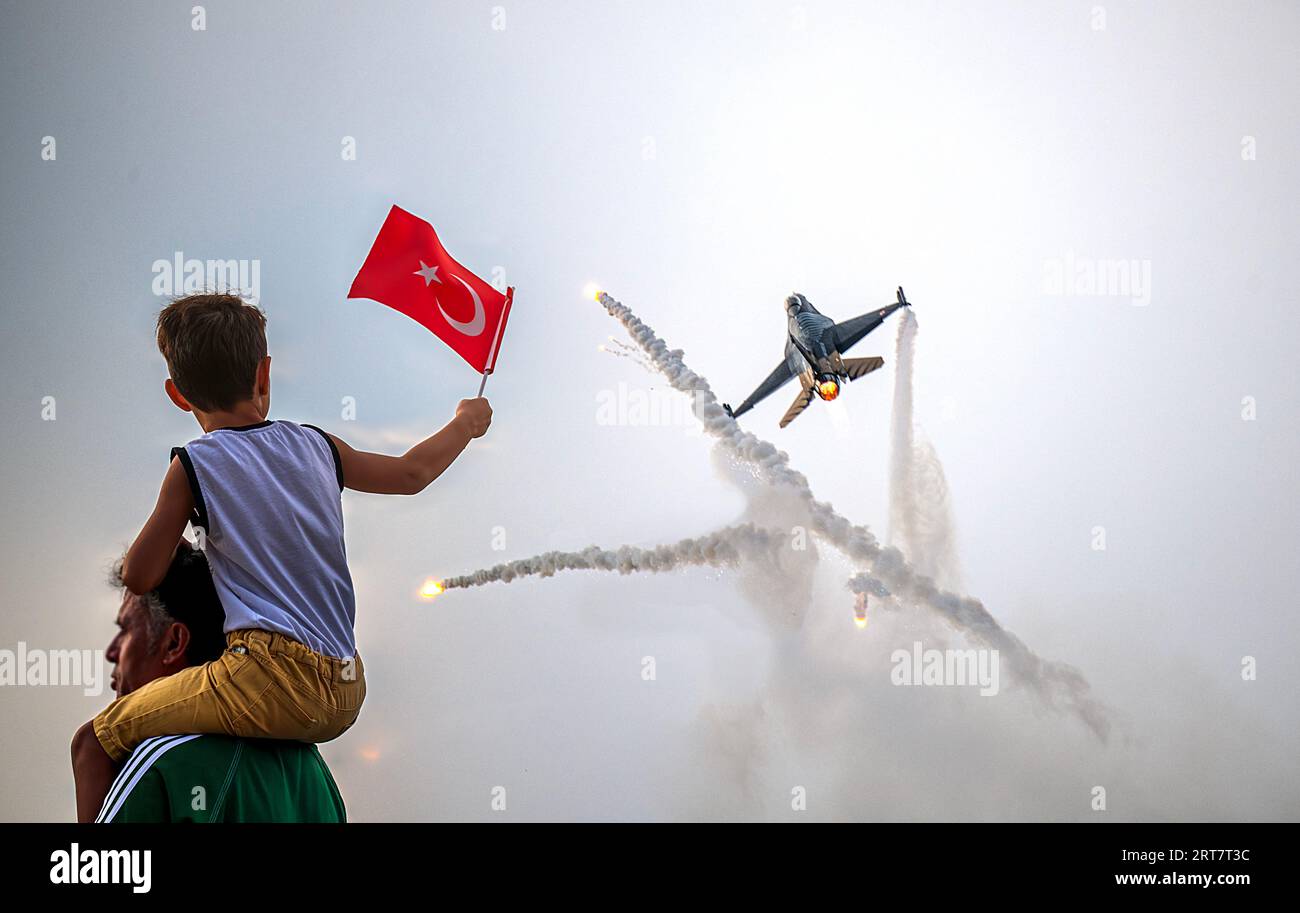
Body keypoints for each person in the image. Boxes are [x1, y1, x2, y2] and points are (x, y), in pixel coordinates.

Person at [71, 292, 493, 821]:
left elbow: (140, 574)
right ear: (264, 375)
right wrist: (464, 423)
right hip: (343, 689)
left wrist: (172, 524)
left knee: (93, 741)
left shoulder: (194, 464)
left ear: (177, 395)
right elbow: (412, 475)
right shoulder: (319, 447)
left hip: (265, 679)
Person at [96, 542, 347, 822]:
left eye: (126, 630)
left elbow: (101, 867)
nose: (111, 652)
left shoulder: (160, 761)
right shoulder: (313, 773)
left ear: (174, 643)